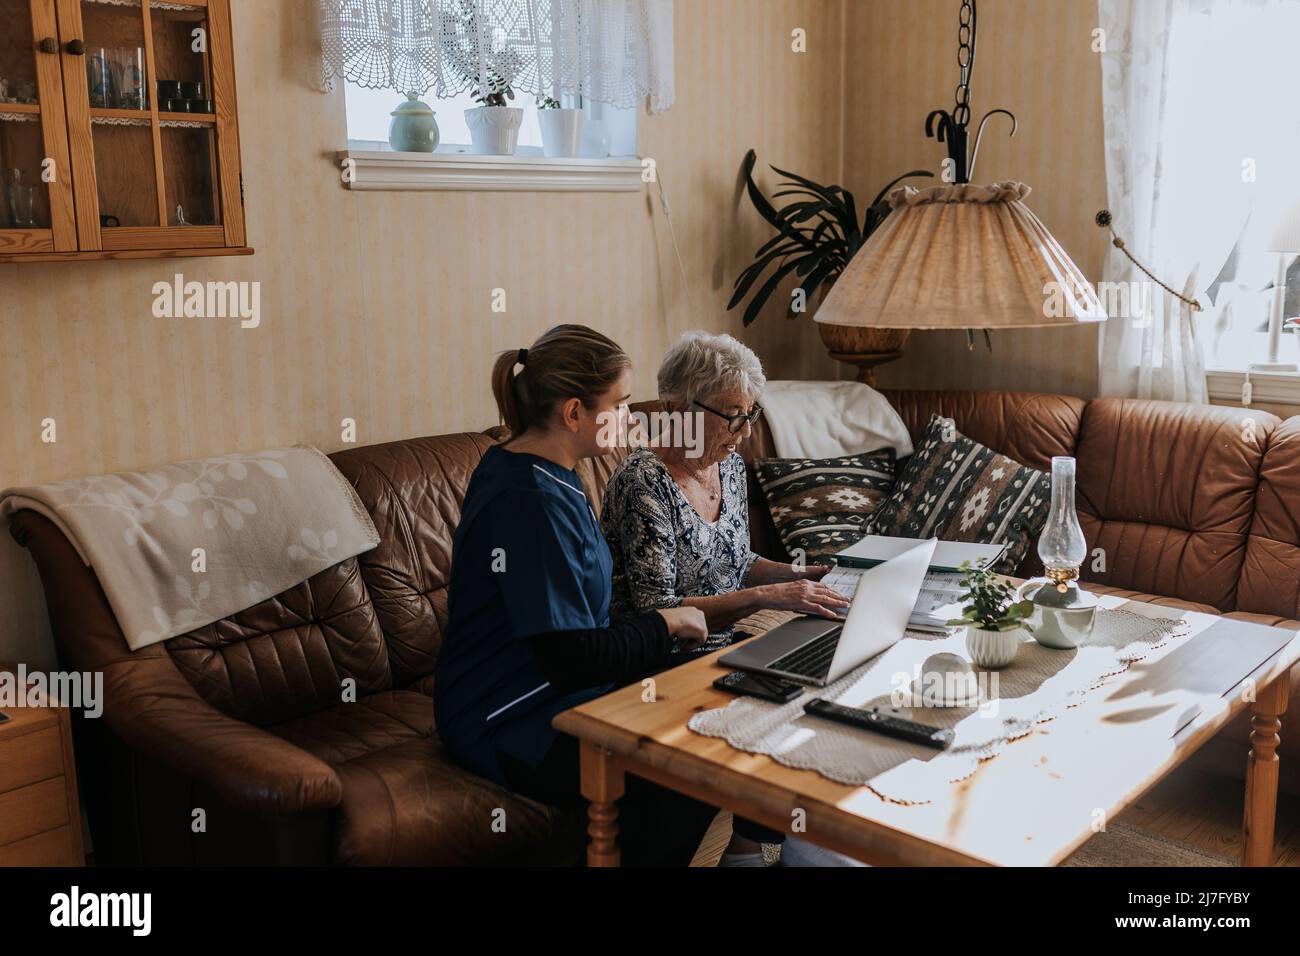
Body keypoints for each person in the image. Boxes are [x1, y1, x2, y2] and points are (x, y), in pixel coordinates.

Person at [435, 324, 717, 867]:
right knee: (685, 769)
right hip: (510, 718)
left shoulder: (550, 470)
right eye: (621, 403)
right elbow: (570, 658)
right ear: (573, 414)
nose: (632, 418)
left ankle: (747, 854)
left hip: (566, 688)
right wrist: (666, 623)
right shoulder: (528, 500)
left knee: (719, 689)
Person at [600, 331, 866, 866]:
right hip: (658, 660)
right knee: (780, 701)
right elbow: (661, 607)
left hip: (721, 647)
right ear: (678, 407)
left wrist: (805, 574)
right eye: (731, 415)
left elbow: (738, 561)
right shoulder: (643, 481)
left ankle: (747, 849)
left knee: (823, 677)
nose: (744, 433)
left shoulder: (730, 469)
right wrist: (773, 594)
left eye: (750, 416)